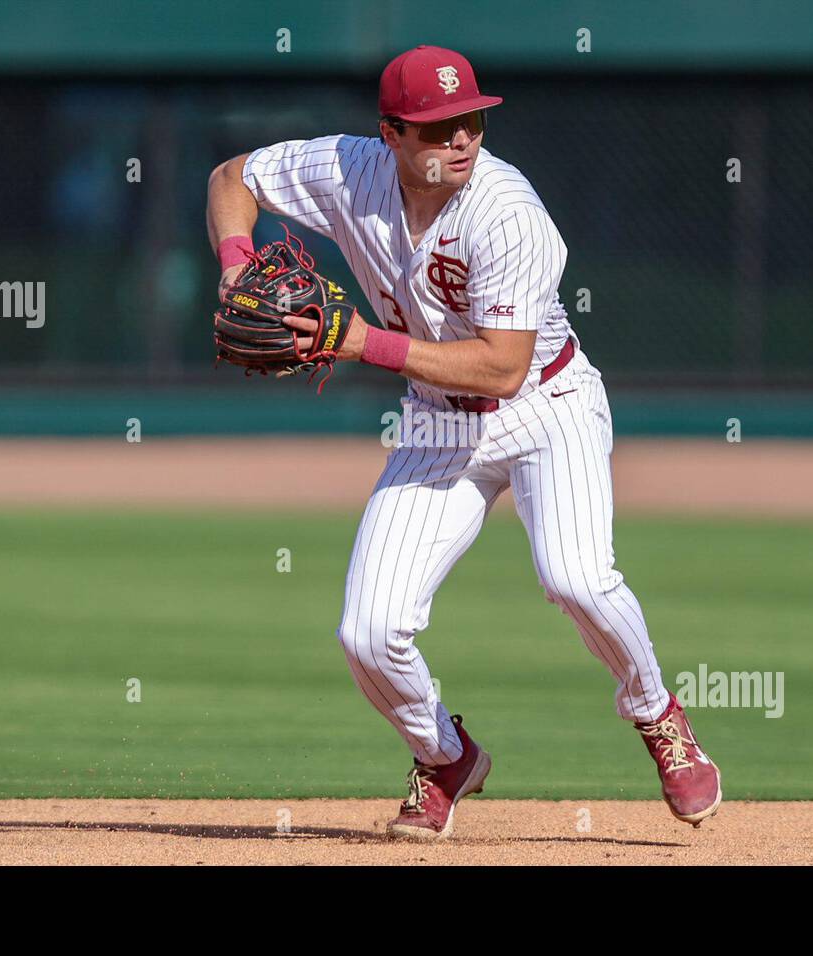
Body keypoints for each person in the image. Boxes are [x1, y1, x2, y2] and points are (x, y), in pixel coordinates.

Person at [206, 44, 721, 841]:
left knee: (577, 577)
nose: (461, 139)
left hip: (547, 404)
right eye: (438, 126)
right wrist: (238, 267)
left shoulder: (505, 209)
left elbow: (504, 367)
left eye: (472, 120)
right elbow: (232, 177)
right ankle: (443, 755)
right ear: (391, 135)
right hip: (436, 418)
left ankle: (656, 711)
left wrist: (357, 343)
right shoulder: (347, 170)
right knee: (368, 633)